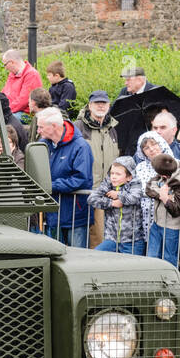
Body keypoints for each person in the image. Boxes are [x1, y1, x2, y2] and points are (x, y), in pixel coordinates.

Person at [35, 107, 93, 246]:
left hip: (75, 214)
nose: (38, 131)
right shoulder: (43, 145)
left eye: (41, 127)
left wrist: (50, 186)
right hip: (53, 214)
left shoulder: (81, 146)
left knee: (78, 258)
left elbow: (81, 179)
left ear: (53, 126)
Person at [74, 91, 120, 247]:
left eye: (104, 103)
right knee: (88, 237)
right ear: (89, 105)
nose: (101, 106)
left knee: (105, 237)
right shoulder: (78, 127)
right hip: (85, 190)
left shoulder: (112, 128)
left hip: (108, 191)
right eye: (97, 103)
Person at [144, 151, 180, 268]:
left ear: (167, 175)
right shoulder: (163, 170)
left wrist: (166, 199)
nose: (161, 177)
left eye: (163, 176)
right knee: (152, 256)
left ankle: (172, 284)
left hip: (173, 227)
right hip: (157, 222)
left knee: (169, 259)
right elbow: (149, 187)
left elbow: (176, 210)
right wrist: (163, 195)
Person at [88, 156, 145, 254]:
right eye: (112, 173)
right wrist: (111, 203)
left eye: (118, 174)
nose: (113, 177)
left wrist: (118, 194)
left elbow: (133, 198)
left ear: (129, 177)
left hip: (132, 241)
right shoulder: (108, 183)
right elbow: (92, 198)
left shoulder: (135, 183)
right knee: (95, 255)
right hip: (111, 239)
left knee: (131, 268)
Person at [1, 50, 43, 115]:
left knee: (2, 120)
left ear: (12, 62)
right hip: (11, 109)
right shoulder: (12, 74)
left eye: (5, 65)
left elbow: (23, 101)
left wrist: (5, 111)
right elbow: (4, 93)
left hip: (25, 113)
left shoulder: (31, 74)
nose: (5, 68)